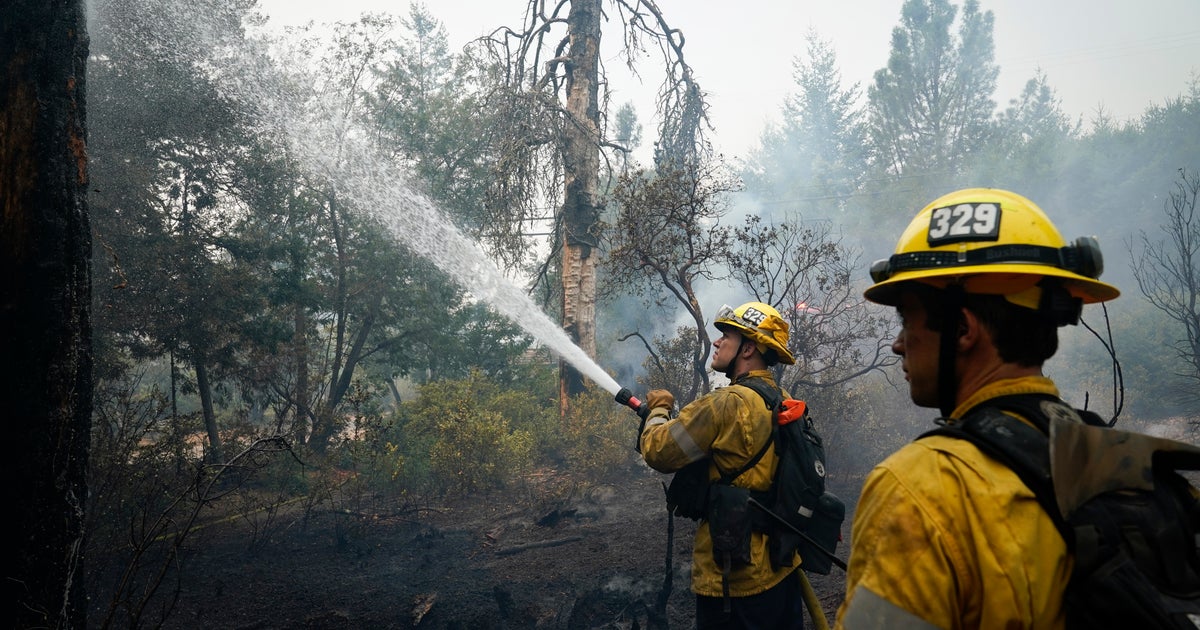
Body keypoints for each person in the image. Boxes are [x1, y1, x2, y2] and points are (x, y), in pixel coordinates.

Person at [835, 188, 1121, 629]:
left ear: (963, 329)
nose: (896, 345)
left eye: (906, 319)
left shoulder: (919, 489)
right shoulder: (1119, 464)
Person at [640, 301, 807, 630]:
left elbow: (658, 451)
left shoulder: (725, 404)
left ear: (748, 348)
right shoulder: (781, 397)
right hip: (782, 567)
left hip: (736, 582)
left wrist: (659, 410)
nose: (716, 342)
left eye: (726, 336)